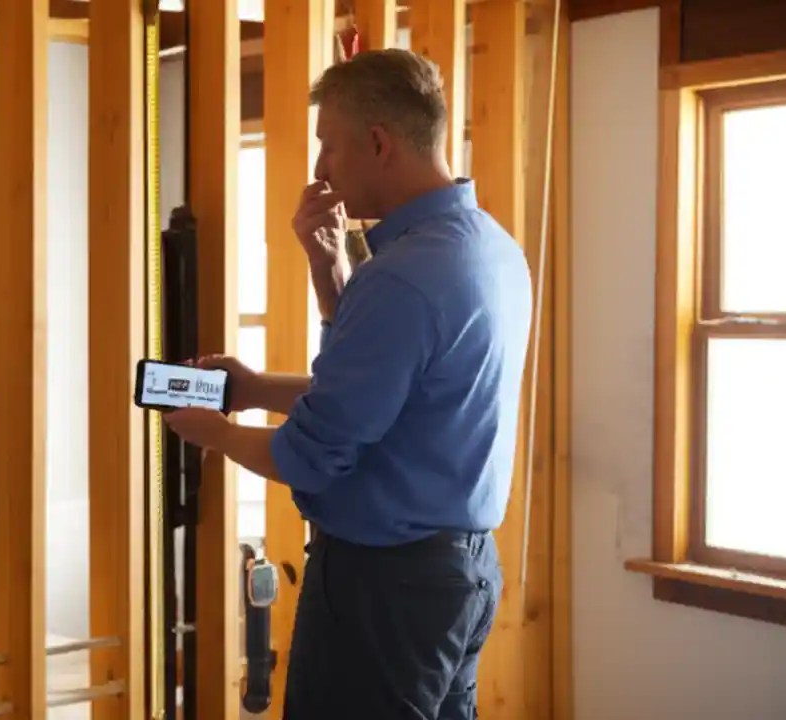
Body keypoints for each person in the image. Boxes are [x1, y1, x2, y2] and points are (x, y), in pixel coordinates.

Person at [162, 48, 533, 720]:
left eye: (328, 146)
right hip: (460, 579)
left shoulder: (401, 277)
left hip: (384, 590)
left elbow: (313, 453)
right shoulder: (491, 248)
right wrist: (252, 386)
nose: (319, 169)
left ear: (379, 143)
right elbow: (385, 398)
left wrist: (212, 432)